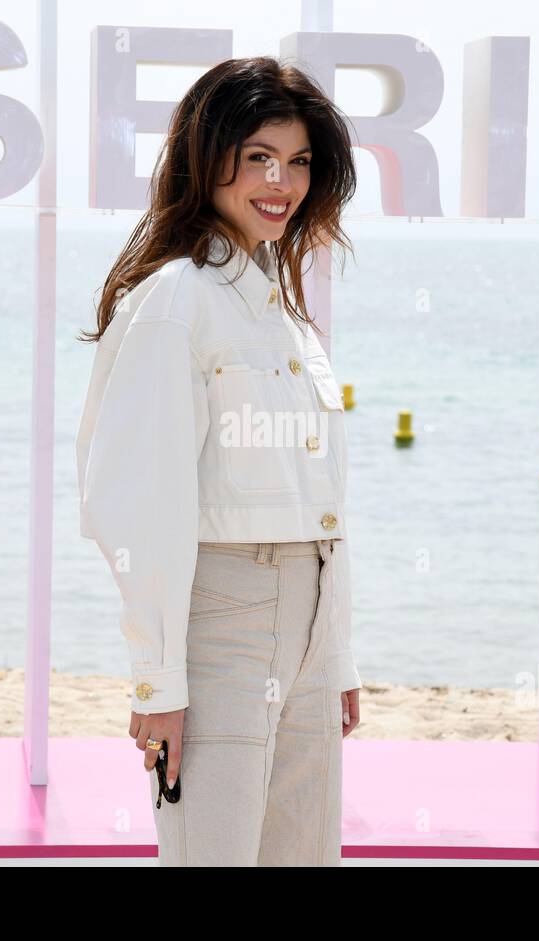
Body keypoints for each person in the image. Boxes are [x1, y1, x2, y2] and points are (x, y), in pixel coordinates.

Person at [75, 56, 362, 866]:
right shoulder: (176, 300)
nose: (283, 182)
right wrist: (157, 684)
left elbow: (319, 500)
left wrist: (333, 655)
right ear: (209, 159)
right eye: (260, 157)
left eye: (300, 161)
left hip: (304, 621)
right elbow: (139, 502)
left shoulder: (283, 311)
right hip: (225, 622)